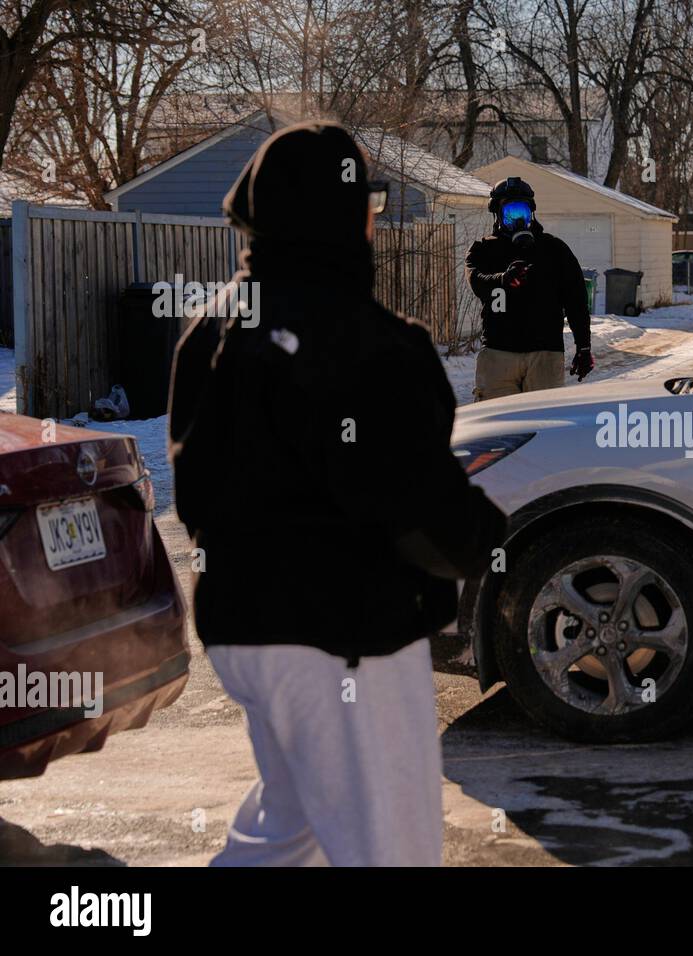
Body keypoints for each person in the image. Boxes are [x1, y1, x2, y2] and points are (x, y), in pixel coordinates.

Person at [168, 121, 506, 867]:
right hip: (342, 638)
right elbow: (412, 503)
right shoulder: (367, 342)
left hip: (243, 629)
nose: (373, 222)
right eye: (368, 207)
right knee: (391, 849)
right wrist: (485, 539)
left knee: (289, 832)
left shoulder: (214, 327)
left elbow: (195, 490)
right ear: (339, 215)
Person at [466, 177, 594, 400]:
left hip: (545, 354)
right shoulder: (483, 250)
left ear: (532, 213)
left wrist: (583, 347)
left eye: (522, 212)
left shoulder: (555, 250)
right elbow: (477, 281)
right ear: (497, 214)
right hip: (498, 355)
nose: (517, 220)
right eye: (510, 213)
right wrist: (502, 279)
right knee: (498, 427)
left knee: (544, 426)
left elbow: (576, 301)